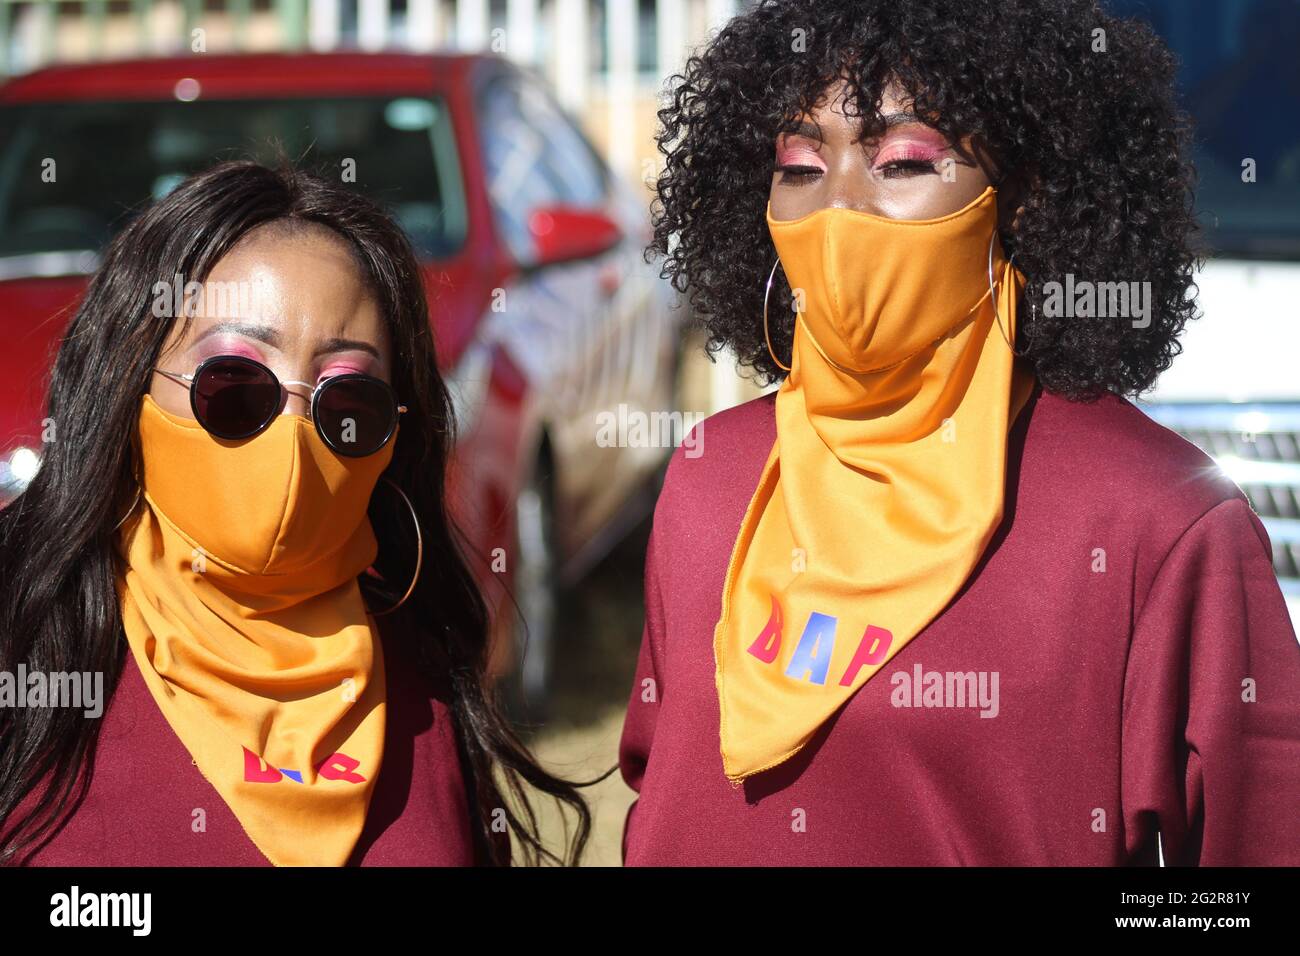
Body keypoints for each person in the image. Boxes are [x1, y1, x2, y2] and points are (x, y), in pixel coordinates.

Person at [619, 0, 1300, 865]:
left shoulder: (1157, 521)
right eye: (799, 164)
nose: (841, 209)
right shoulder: (707, 478)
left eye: (902, 162)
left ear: (1021, 194)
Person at [0, 160, 588, 866]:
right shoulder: (28, 644)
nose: (293, 436)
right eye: (235, 384)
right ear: (128, 388)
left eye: (348, 403)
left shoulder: (426, 679)